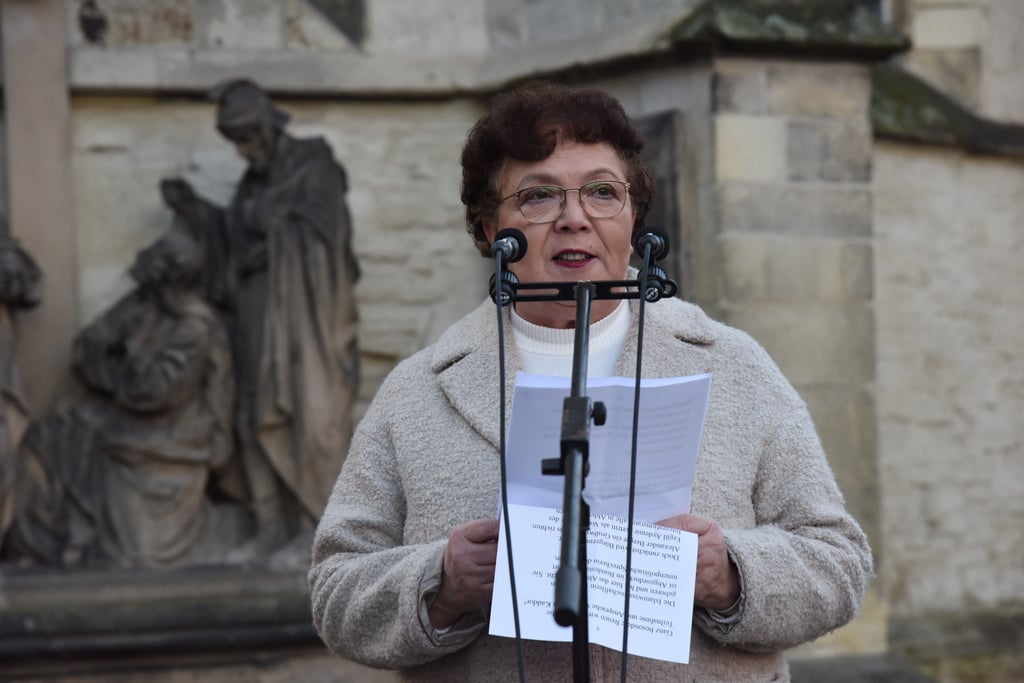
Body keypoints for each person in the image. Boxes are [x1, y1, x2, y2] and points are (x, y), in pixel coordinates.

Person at [309, 81, 873, 681]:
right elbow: (335, 589)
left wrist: (728, 573)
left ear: (633, 218)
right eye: (538, 196)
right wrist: (441, 583)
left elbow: (838, 562)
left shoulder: (732, 365)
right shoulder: (420, 389)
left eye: (603, 193)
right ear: (487, 229)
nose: (574, 218)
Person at [161, 78, 361, 564]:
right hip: (255, 312)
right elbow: (235, 237)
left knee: (309, 418)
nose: (244, 152)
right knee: (252, 415)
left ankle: (314, 529)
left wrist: (266, 223)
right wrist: (198, 212)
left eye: (248, 140)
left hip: (307, 320)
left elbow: (324, 236)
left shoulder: (315, 166)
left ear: (268, 129)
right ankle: (270, 525)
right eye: (236, 143)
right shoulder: (255, 179)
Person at [3, 230, 236, 567]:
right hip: (130, 417)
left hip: (168, 432)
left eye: (153, 254)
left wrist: (121, 361)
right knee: (43, 441)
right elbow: (88, 345)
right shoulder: (145, 303)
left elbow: (156, 392)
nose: (142, 256)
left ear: (168, 270)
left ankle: (80, 537)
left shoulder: (193, 327)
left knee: (76, 440)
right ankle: (49, 540)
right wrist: (119, 366)